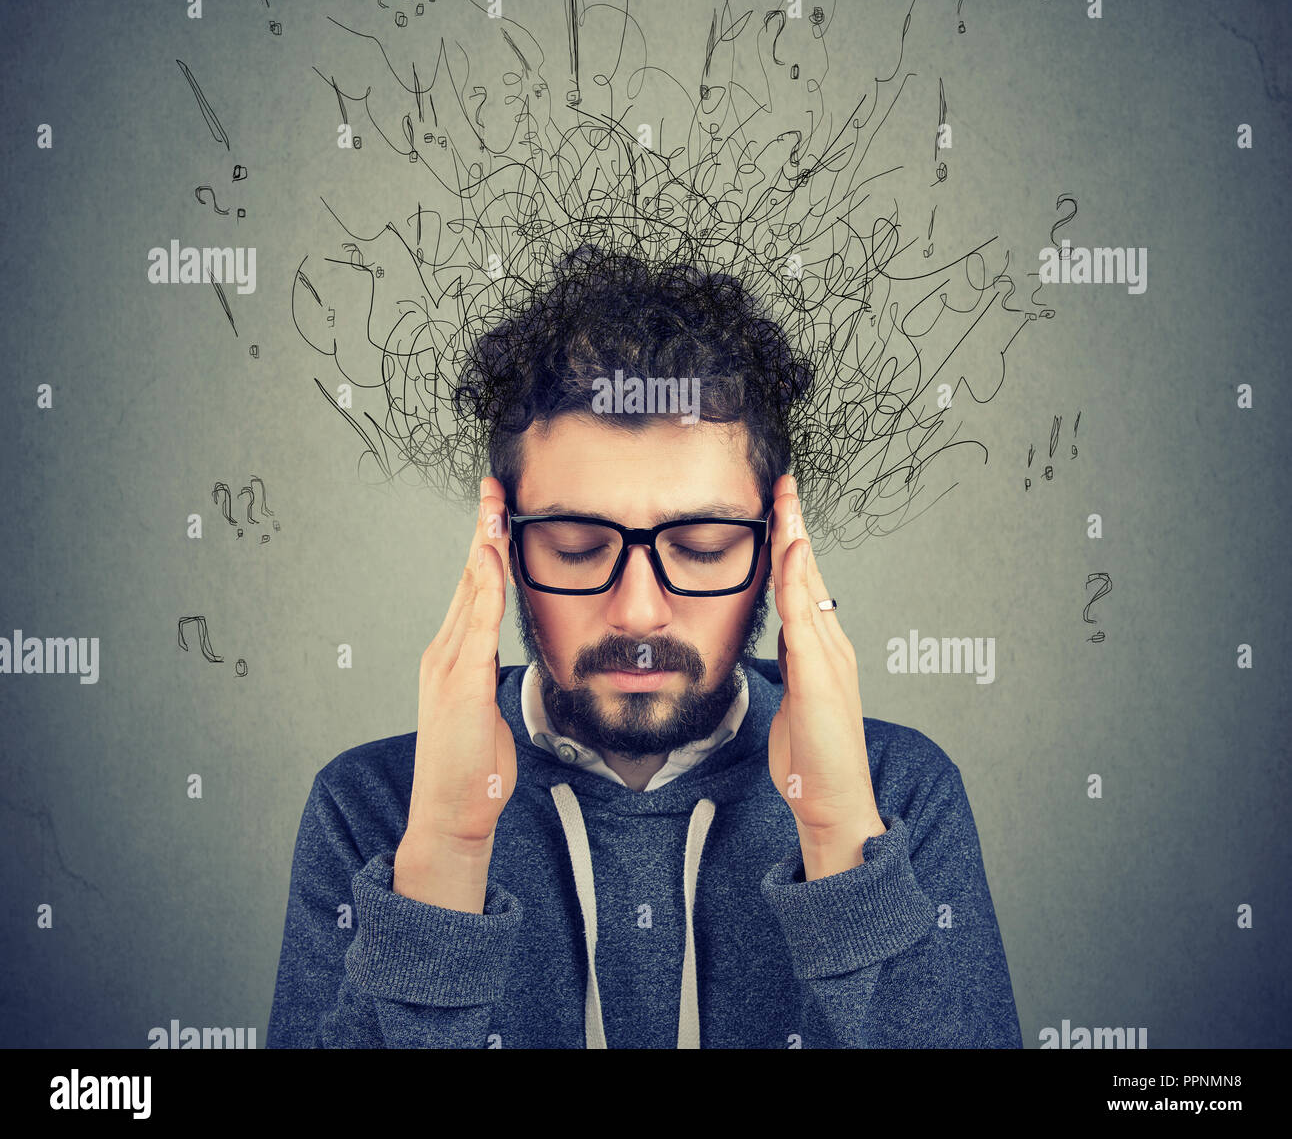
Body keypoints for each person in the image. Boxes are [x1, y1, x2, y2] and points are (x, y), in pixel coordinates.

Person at [266, 250, 1022, 1048]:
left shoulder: (900, 795)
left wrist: (841, 838)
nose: (636, 612)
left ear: (774, 549)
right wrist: (444, 860)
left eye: (699, 546)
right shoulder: (373, 810)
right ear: (503, 547)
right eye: (575, 545)